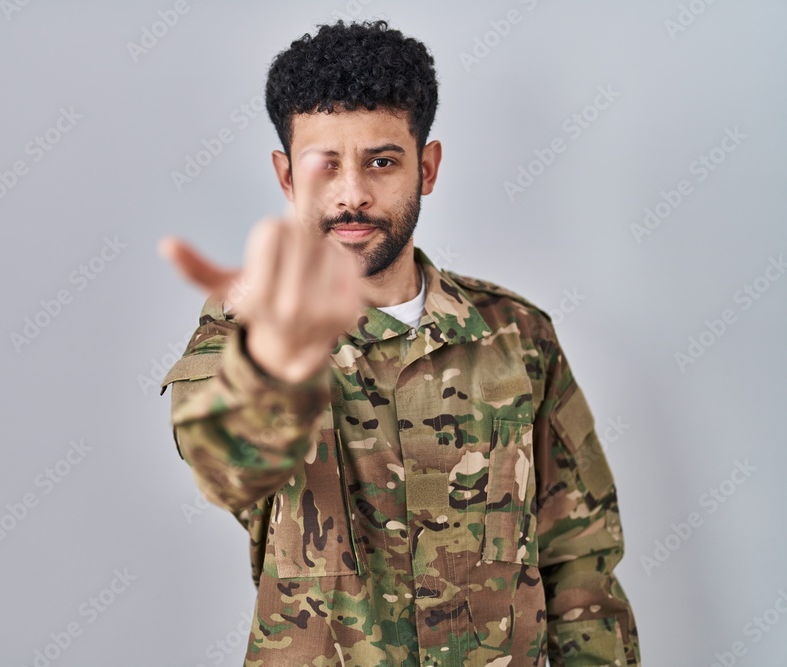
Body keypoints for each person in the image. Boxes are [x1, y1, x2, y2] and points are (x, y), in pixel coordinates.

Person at [158, 19, 640, 667]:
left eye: (381, 161)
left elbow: (580, 560)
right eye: (323, 164)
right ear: (285, 177)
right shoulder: (249, 328)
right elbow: (223, 461)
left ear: (428, 167)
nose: (352, 193)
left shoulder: (518, 337)